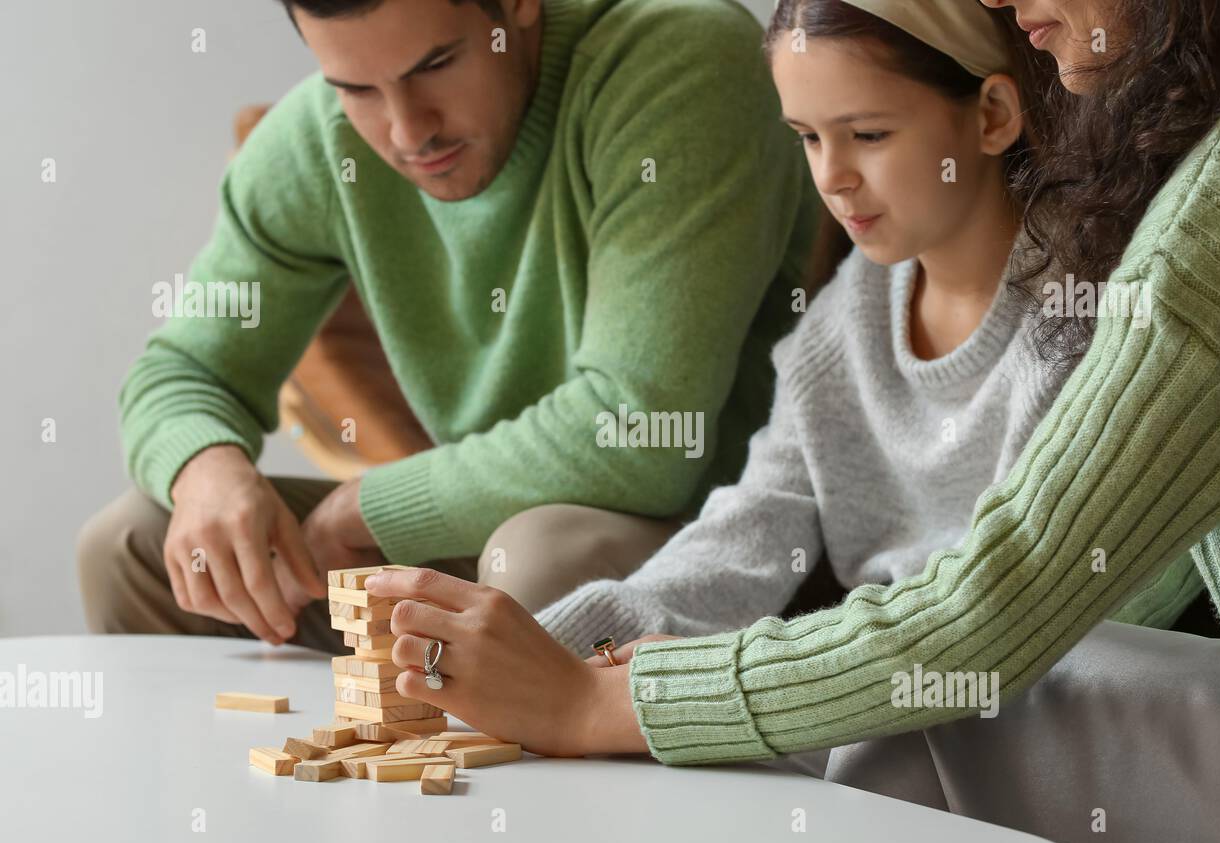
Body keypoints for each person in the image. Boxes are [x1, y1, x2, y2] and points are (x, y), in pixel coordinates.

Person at [359, 0, 1220, 762]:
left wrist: (612, 700)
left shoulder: (1132, 278)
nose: (834, 178)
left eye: (869, 133)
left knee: (874, 752)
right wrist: (517, 666)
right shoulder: (852, 310)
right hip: (925, 659)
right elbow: (744, 534)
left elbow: (1019, 609)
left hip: (1062, 676)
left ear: (992, 116)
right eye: (807, 138)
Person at [75, 0, 827, 651]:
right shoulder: (316, 142)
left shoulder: (680, 61)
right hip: (490, 545)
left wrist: (367, 507)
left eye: (435, 65)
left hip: (720, 543)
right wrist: (205, 469)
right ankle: (248, 812)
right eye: (355, 87)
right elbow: (181, 370)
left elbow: (641, 434)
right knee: (132, 546)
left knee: (534, 558)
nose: (409, 132)